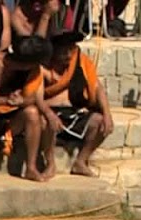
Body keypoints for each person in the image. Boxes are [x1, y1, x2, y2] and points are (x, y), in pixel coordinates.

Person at [0, 34, 53, 184]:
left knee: (32, 112)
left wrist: (22, 101)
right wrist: (5, 100)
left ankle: (31, 167)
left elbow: (34, 98)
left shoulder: (33, 69)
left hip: (12, 120)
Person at [42, 30, 111, 178]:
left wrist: (107, 114)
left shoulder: (80, 62)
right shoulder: (42, 67)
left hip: (74, 111)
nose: (68, 55)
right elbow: (34, 96)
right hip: (50, 112)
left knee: (100, 122)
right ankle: (50, 164)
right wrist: (49, 114)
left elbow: (97, 87)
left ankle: (81, 161)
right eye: (63, 51)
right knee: (42, 121)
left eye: (70, 50)